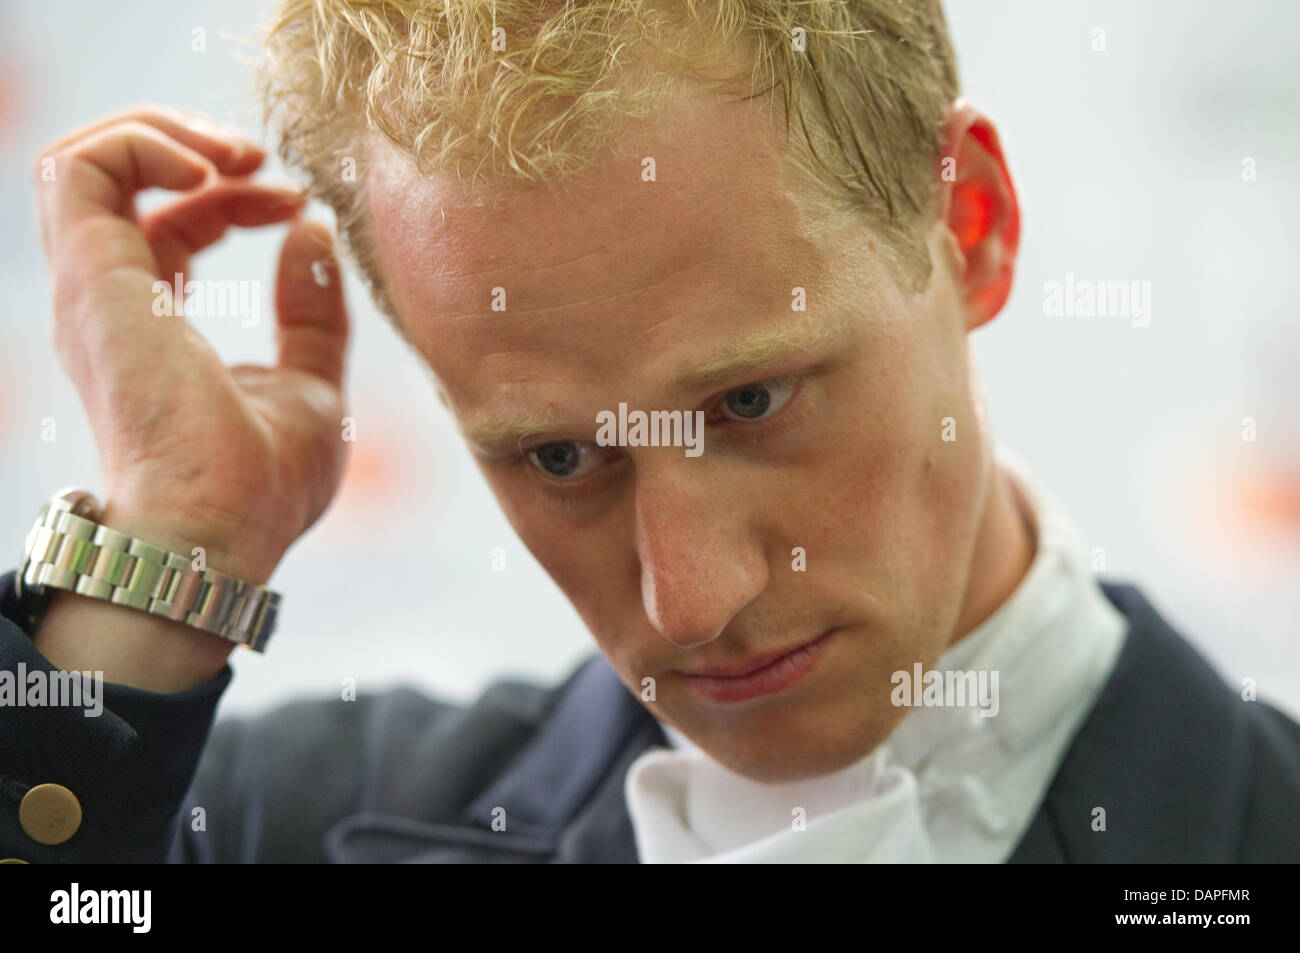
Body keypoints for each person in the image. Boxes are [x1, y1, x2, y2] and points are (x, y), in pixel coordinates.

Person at [2, 0, 1297, 864]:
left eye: (752, 401)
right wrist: (173, 547)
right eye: (559, 456)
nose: (690, 600)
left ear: (968, 224)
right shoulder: (285, 820)